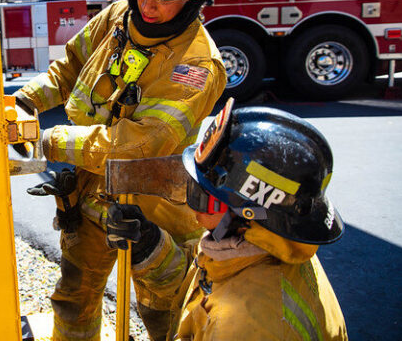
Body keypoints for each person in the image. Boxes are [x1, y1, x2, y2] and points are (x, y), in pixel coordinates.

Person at [18, 0, 227, 340]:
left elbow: (139, 144)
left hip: (155, 216)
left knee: (165, 318)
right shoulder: (117, 16)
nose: (147, 5)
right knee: (74, 298)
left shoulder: (198, 64)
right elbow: (69, 67)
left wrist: (48, 140)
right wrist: (26, 100)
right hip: (91, 197)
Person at [106, 102, 348, 340]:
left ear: (249, 213)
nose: (193, 210)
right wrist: (149, 247)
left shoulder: (245, 324)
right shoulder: (262, 245)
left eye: (202, 197)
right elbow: (205, 284)